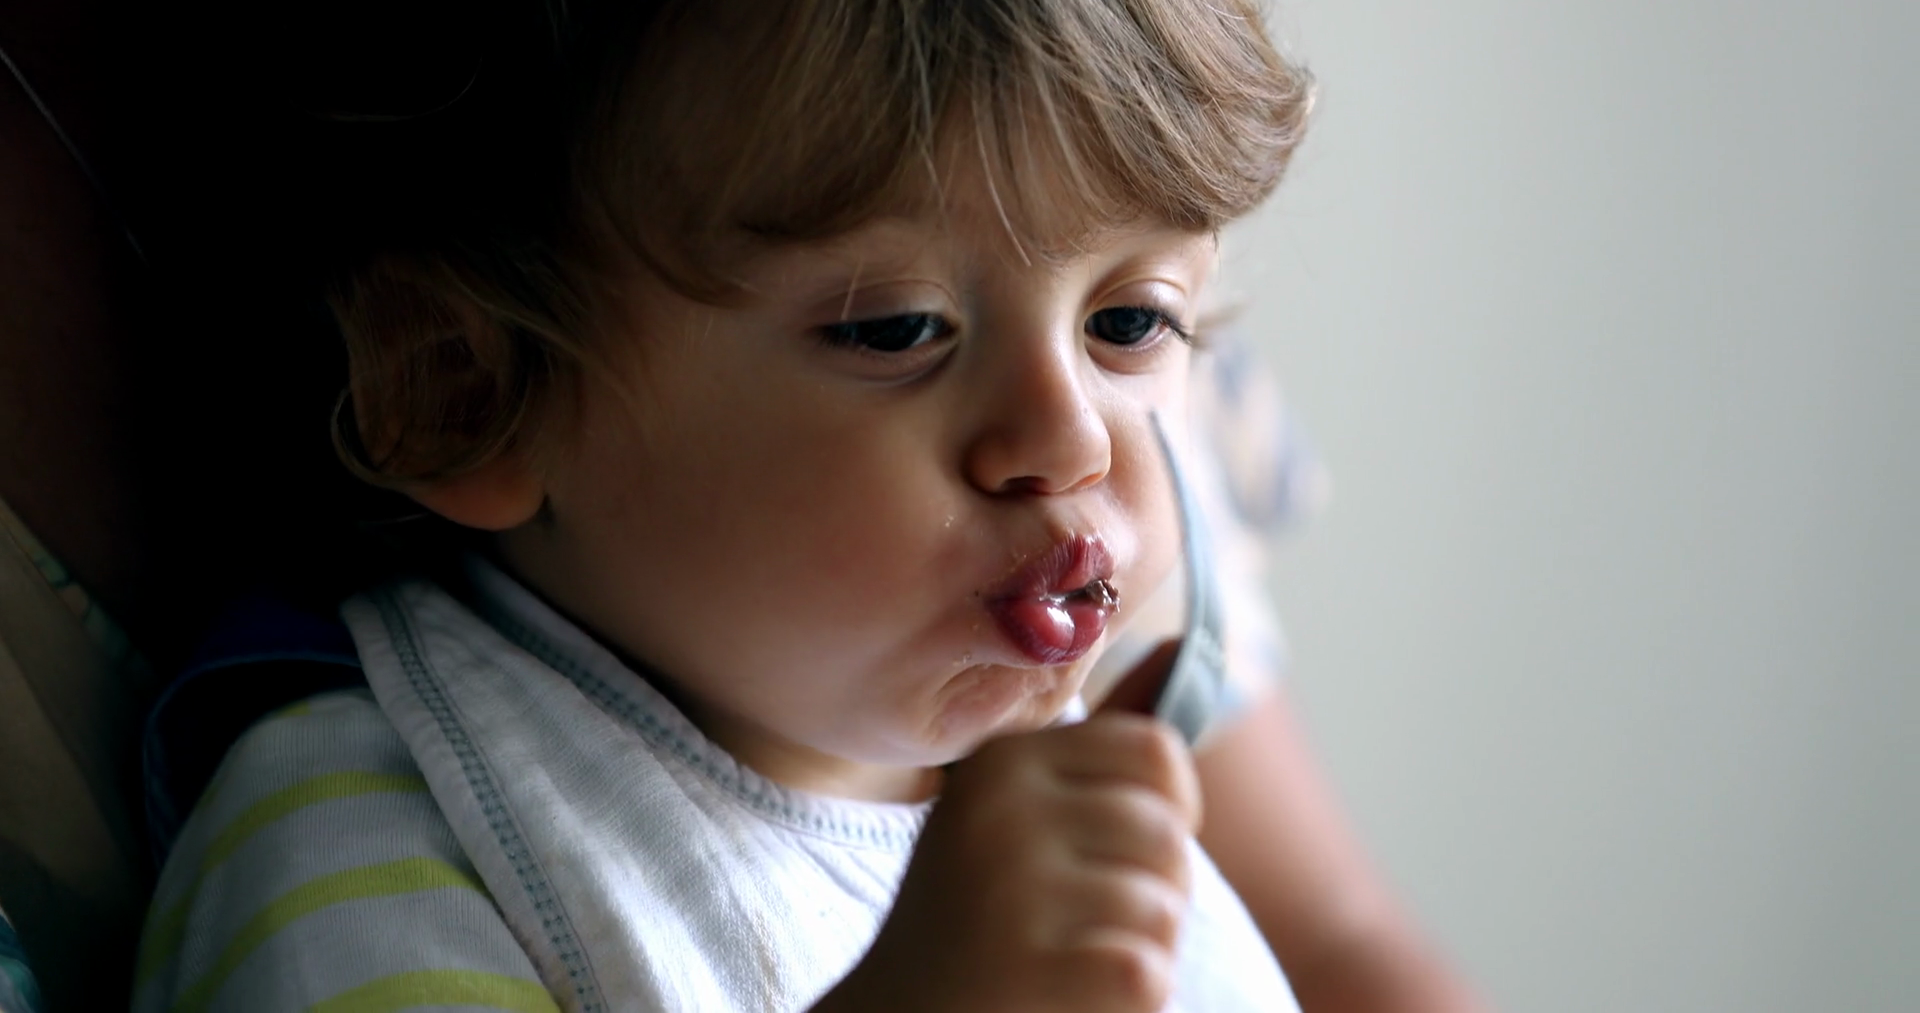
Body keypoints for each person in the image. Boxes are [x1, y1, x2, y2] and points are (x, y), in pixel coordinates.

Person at [117, 2, 1480, 1012]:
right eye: (898, 330)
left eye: (1129, 321)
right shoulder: (369, 844)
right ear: (468, 390)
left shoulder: (1120, 730)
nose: (1068, 440)